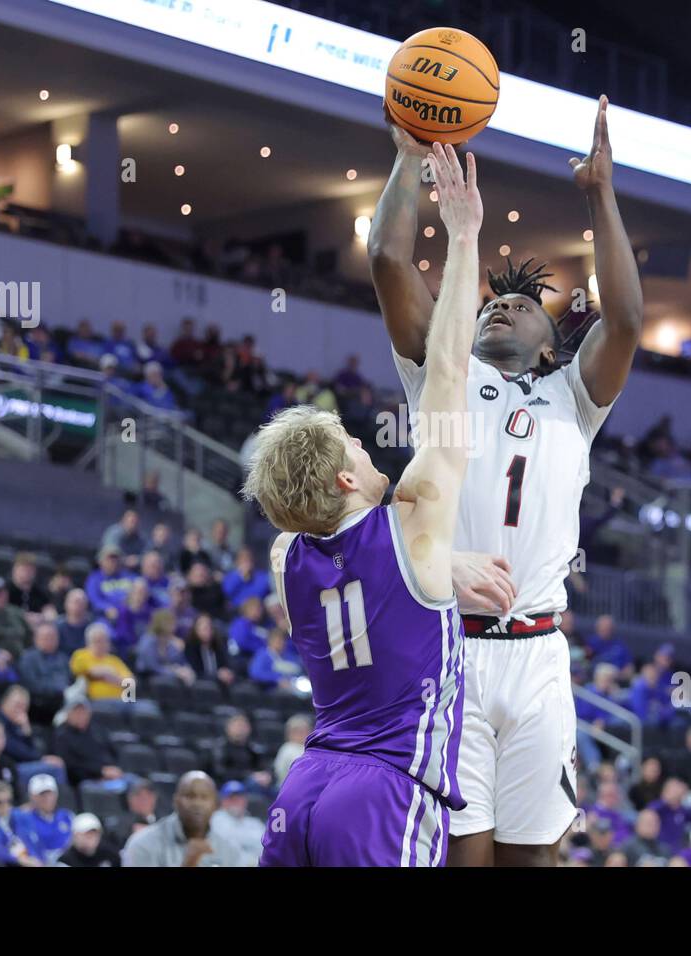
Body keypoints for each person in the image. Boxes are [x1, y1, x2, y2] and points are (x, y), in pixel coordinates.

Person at [371, 98, 643, 867]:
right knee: (462, 860)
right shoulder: (441, 370)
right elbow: (390, 260)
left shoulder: (574, 398)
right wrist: (407, 156)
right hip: (449, 650)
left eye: (520, 306)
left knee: (537, 861)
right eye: (490, 301)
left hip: (539, 656)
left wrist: (600, 192)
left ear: (554, 344)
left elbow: (624, 318)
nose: (500, 308)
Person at [244, 142, 479, 867]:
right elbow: (446, 368)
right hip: (384, 792)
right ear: (345, 481)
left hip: (304, 790)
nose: (365, 449)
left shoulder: (288, 558)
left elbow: (313, 533)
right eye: (353, 445)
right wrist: (465, 235)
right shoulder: (414, 523)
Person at [122, 771, 244, 867]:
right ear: (175, 801)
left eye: (204, 797)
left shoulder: (229, 849)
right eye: (190, 796)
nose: (197, 803)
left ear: (216, 805)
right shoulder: (143, 843)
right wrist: (189, 863)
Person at [52, 698, 124, 786]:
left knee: (136, 785)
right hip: (86, 780)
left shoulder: (98, 730)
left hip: (113, 774)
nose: (80, 715)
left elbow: (115, 752)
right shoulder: (62, 735)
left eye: (83, 712)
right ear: (68, 714)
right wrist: (100, 772)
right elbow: (70, 766)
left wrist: (116, 769)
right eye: (76, 712)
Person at [12, 773, 74, 864]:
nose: (47, 798)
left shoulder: (67, 816)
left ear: (56, 794)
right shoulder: (23, 818)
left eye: (50, 793)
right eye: (41, 795)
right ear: (32, 797)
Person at [69, 623, 133, 702]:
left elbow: (131, 683)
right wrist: (102, 672)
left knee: (147, 708)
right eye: (97, 641)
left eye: (104, 641)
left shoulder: (114, 660)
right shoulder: (80, 655)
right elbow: (78, 672)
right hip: (94, 701)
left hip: (120, 701)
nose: (101, 645)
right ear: (88, 642)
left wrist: (112, 677)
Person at [56, 813, 121, 867]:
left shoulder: (110, 854)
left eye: (94, 834)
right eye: (86, 834)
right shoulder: (65, 861)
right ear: (75, 836)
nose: (91, 838)